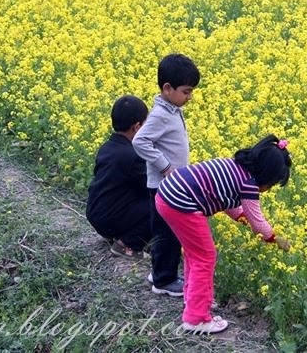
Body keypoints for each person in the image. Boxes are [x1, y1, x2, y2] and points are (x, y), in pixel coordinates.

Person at [155, 134, 292, 334]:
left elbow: (227, 203)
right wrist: (275, 239)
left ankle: (193, 301)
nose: (268, 190)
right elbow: (258, 223)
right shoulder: (248, 184)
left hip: (166, 195)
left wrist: (243, 220)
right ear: (265, 175)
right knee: (205, 257)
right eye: (270, 185)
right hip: (181, 203)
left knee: (195, 254)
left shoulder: (236, 168)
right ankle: (196, 318)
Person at [132, 53, 201, 297]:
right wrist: (165, 167)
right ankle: (163, 280)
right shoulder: (161, 114)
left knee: (167, 232)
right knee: (167, 234)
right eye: (186, 92)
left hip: (170, 185)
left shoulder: (170, 108)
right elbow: (139, 141)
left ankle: (159, 272)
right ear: (167, 88)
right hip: (163, 186)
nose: (189, 97)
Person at [86, 95, 152, 259]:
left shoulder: (107, 147)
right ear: (137, 127)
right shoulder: (132, 156)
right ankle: (127, 245)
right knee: (160, 204)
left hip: (96, 214)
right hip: (110, 219)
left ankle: (119, 234)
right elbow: (149, 186)